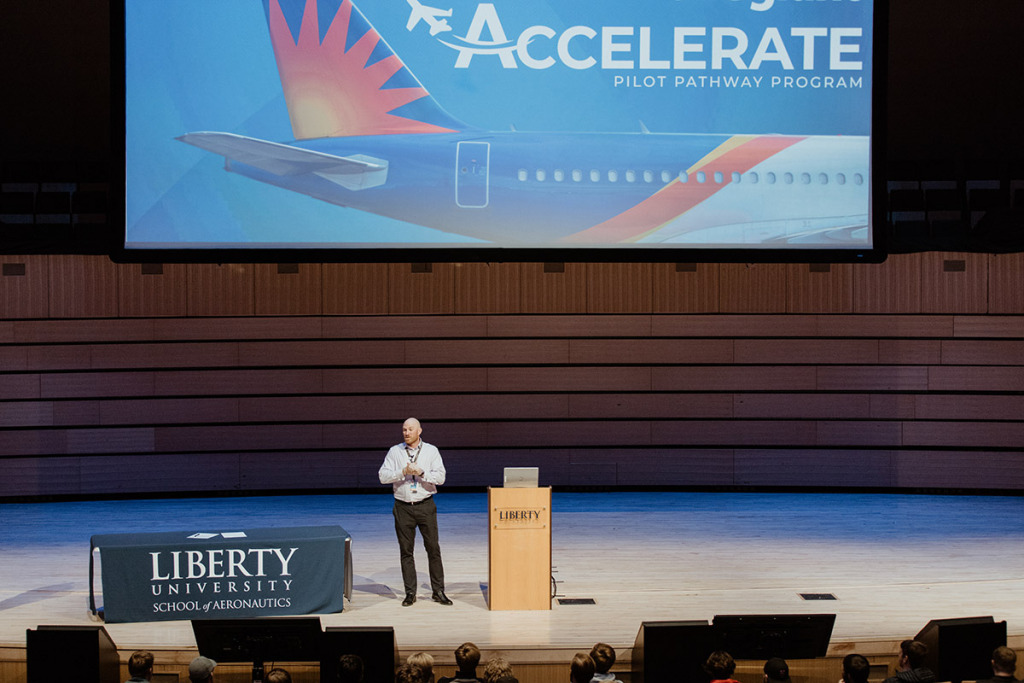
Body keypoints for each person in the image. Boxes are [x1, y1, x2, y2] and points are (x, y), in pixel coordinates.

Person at [379, 417, 451, 606]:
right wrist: (402, 472)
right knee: (406, 551)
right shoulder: (395, 451)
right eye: (404, 429)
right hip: (402, 507)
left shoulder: (431, 451)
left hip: (425, 505)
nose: (406, 432)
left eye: (410, 429)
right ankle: (410, 593)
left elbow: (441, 477)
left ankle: (438, 591)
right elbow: (382, 476)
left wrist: (421, 472)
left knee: (433, 548)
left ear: (419, 431)